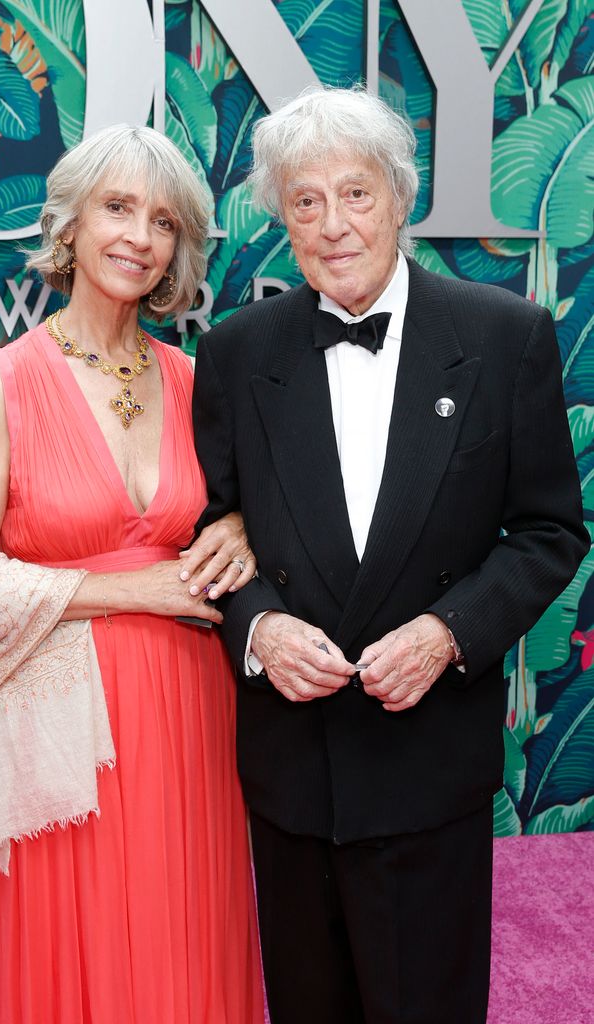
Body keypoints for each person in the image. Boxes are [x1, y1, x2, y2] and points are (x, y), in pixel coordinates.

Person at [192, 86, 588, 1024]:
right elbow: (212, 534)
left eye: (356, 193)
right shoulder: (238, 353)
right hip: (294, 767)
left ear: (402, 197)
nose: (333, 225)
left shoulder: (504, 337)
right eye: (305, 201)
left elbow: (549, 532)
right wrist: (260, 633)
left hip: (428, 761)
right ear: (281, 217)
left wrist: (450, 634)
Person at [0, 124, 265, 1024]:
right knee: (73, 959)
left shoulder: (200, 382)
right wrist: (132, 590)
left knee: (186, 942)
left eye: (162, 221)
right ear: (70, 224)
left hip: (192, 713)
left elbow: (247, 517)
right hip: (60, 728)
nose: (138, 237)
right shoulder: (3, 383)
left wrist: (236, 525)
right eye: (117, 207)